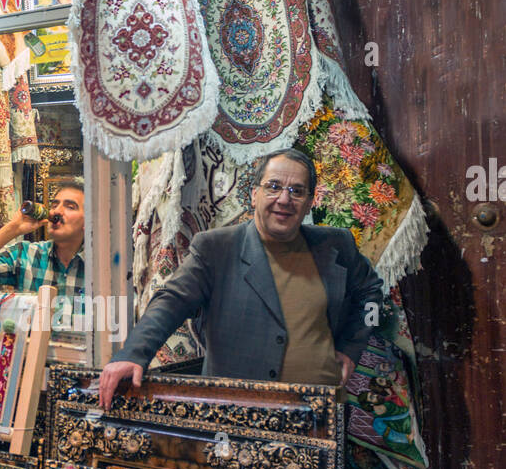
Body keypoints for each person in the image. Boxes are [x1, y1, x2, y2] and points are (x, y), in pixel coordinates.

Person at [99, 148, 384, 410]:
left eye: (296, 191)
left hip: (319, 414)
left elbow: (371, 296)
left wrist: (352, 346)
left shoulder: (336, 246)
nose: (284, 199)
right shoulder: (217, 248)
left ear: (309, 202)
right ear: (254, 194)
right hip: (239, 414)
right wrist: (133, 353)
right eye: (273, 187)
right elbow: (171, 301)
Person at [0, 177, 85, 332]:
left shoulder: (104, 267)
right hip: (30, 354)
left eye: (70, 207)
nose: (56, 211)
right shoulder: (26, 254)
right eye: (54, 205)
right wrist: (14, 228)